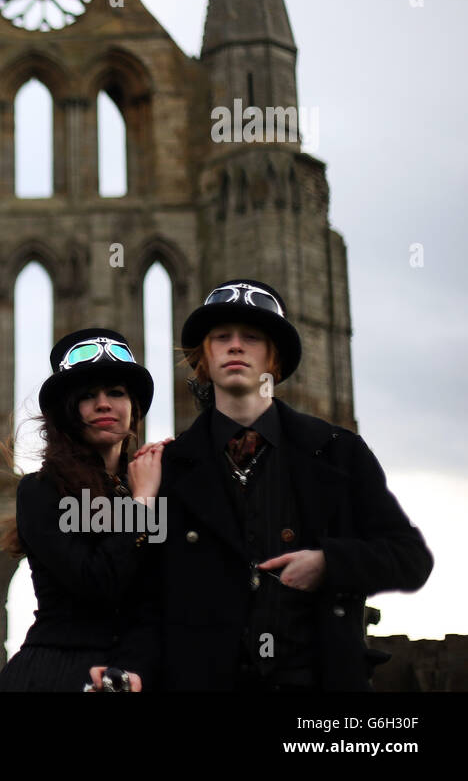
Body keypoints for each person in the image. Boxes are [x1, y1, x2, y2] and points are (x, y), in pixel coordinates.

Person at [91, 278, 433, 691]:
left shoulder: (338, 453)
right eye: (222, 337)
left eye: (251, 337)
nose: (235, 346)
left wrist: (329, 563)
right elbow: (147, 602)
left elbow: (410, 559)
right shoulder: (170, 468)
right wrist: (130, 668)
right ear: (205, 357)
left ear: (275, 358)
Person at [0, 328, 168, 691]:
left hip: (135, 675)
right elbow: (97, 582)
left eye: (116, 393)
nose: (104, 404)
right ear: (68, 413)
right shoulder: (41, 492)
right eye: (88, 396)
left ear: (133, 408)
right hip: (56, 674)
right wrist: (141, 505)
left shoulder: (156, 487)